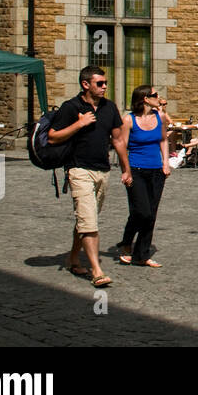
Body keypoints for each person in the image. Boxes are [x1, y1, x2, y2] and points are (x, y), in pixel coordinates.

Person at [49, 65, 127, 288]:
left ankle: (73, 258)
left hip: (102, 170)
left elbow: (118, 140)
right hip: (78, 169)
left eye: (105, 83)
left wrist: (126, 168)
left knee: (86, 218)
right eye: (100, 83)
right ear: (86, 84)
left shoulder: (109, 107)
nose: (105, 87)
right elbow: (53, 137)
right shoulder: (71, 107)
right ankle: (97, 270)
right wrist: (79, 123)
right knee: (89, 221)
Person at [118, 85, 170, 267]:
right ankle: (126, 243)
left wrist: (165, 163)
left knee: (151, 213)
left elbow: (163, 140)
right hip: (136, 169)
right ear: (145, 99)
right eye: (155, 95)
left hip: (156, 170)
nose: (159, 98)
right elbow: (121, 146)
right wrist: (125, 170)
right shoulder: (129, 120)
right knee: (141, 211)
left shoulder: (160, 117)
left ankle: (142, 254)